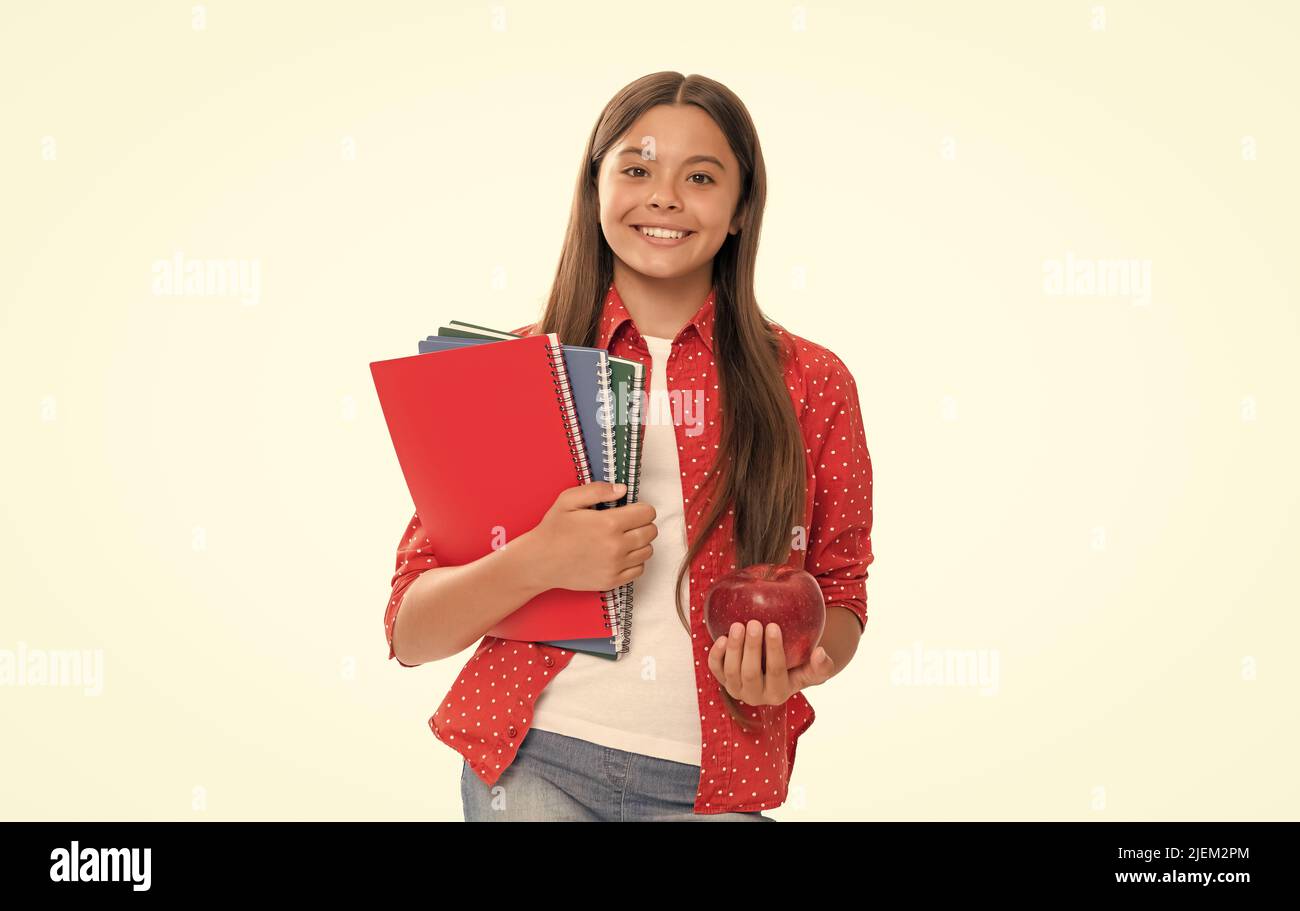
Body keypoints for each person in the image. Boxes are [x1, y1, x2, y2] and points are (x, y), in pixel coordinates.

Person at [384, 71, 874, 821]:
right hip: (533, 759)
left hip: (713, 784)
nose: (665, 197)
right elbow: (412, 630)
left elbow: (840, 593)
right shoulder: (508, 376)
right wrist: (542, 558)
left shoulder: (810, 382)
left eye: (700, 176)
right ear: (596, 187)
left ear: (742, 208)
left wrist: (804, 665)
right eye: (637, 169)